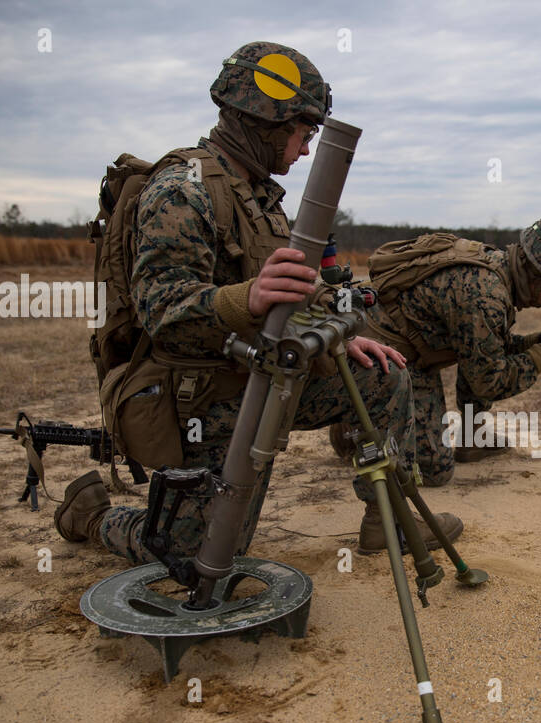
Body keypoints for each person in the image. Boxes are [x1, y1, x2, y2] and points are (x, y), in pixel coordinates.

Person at [55, 41, 462, 560]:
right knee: (202, 556)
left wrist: (340, 335)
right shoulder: (184, 190)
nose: (307, 149)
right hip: (197, 397)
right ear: (265, 121)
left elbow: (285, 291)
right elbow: (163, 314)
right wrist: (246, 298)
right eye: (302, 132)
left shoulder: (257, 198)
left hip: (258, 380)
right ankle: (90, 514)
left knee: (383, 375)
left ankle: (390, 523)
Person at [337, 218, 541, 486]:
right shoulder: (485, 294)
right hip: (381, 351)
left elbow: (487, 351)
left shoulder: (498, 269)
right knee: (431, 470)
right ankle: (354, 423)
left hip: (411, 349)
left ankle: (472, 436)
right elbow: (488, 382)